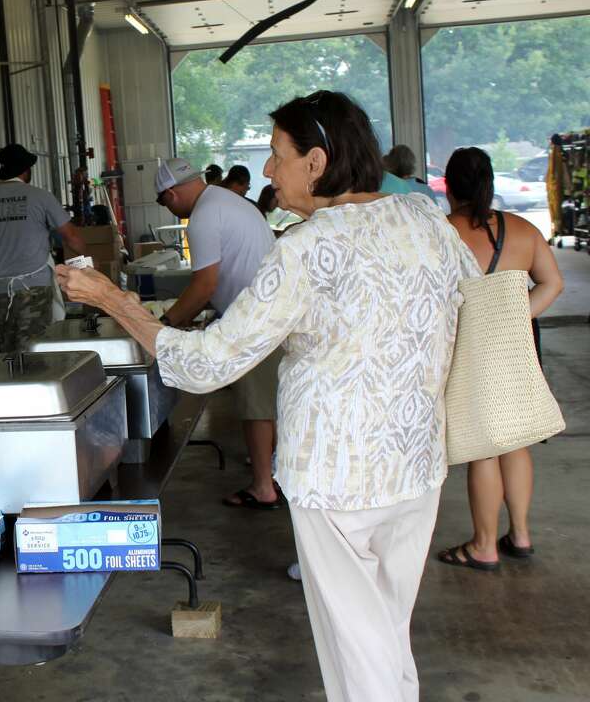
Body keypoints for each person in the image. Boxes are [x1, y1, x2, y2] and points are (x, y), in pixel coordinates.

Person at [58, 90, 480, 702]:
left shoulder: (309, 247)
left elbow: (208, 363)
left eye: (278, 154)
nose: (267, 169)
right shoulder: (427, 222)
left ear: (317, 161)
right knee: (385, 631)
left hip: (337, 479)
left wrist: (113, 301)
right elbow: (473, 307)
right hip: (416, 466)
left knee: (359, 653)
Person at [437, 146, 563, 572]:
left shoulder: (441, 232)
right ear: (489, 183)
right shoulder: (523, 230)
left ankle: (484, 546)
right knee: (515, 439)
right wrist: (513, 316)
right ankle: (521, 535)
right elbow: (552, 284)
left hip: (468, 350)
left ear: (449, 187)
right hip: (513, 349)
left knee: (483, 448)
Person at [154, 156, 283, 510]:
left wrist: (164, 327)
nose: (168, 209)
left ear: (170, 194)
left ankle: (264, 487)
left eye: (163, 202)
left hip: (254, 318)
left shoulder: (203, 216)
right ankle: (274, 471)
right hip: (268, 309)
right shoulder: (227, 201)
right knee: (267, 402)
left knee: (256, 406)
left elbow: (204, 285)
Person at [0, 143, 87, 352]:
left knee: (10, 348)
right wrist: (88, 262)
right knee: (35, 348)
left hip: (1, 288)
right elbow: (71, 236)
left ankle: (13, 373)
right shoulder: (41, 196)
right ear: (26, 171)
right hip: (34, 287)